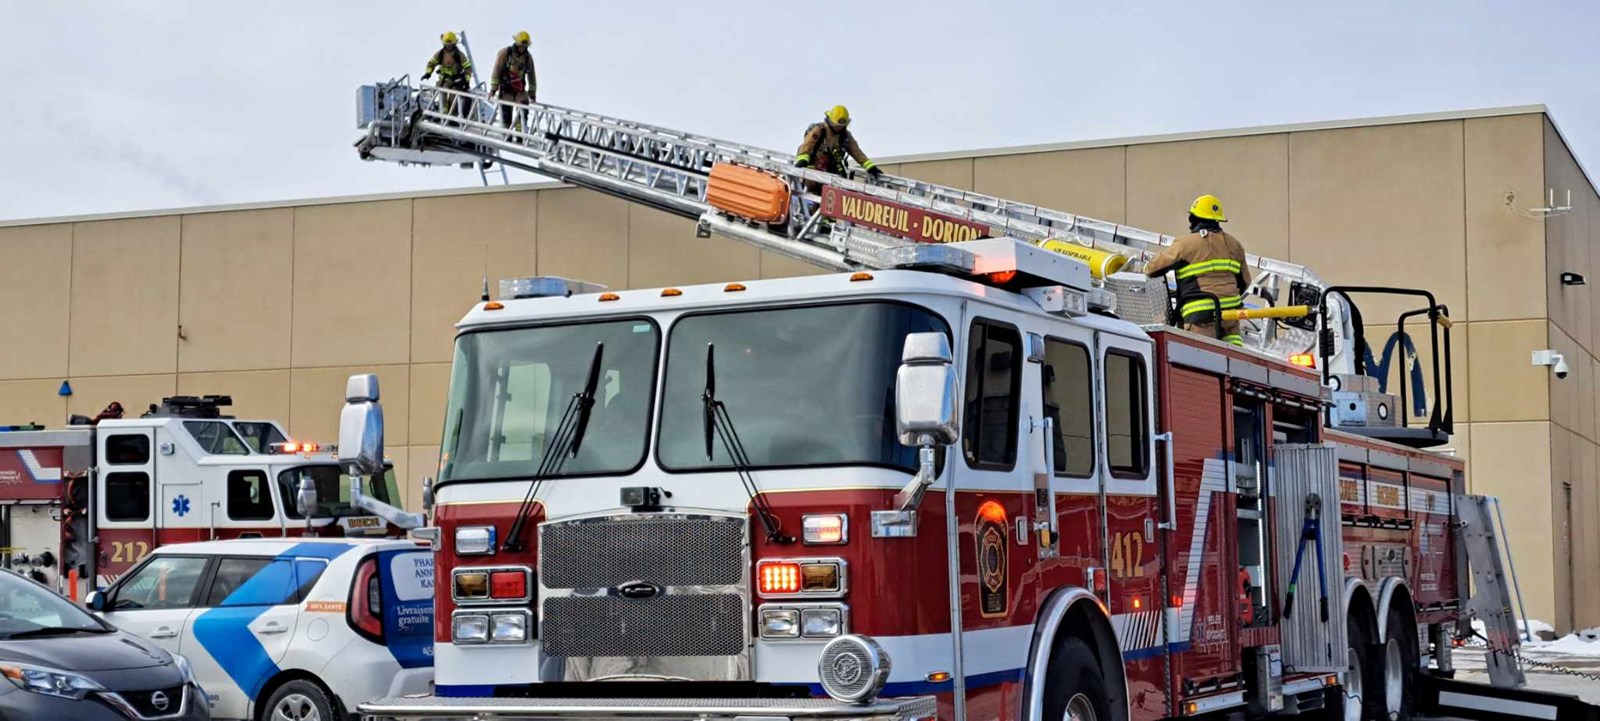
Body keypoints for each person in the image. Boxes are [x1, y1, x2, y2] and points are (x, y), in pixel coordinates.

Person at [1143, 194, 1251, 346]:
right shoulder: (1234, 245)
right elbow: (1245, 282)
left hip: (1201, 317)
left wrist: (1144, 266)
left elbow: (1153, 269)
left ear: (1193, 219)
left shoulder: (1185, 244)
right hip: (1231, 315)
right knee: (1232, 358)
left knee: (1203, 361)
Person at [794, 105, 882, 180]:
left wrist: (870, 166)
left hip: (832, 168)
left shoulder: (845, 135)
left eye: (842, 126)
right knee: (813, 185)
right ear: (831, 122)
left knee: (839, 185)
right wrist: (802, 160)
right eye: (837, 126)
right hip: (814, 166)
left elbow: (856, 152)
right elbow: (807, 144)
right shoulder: (819, 130)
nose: (839, 128)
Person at [491, 30, 537, 131]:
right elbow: (497, 70)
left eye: (524, 46)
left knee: (523, 112)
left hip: (519, 90)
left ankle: (520, 136)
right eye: (521, 45)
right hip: (506, 90)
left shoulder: (528, 58)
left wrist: (532, 94)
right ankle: (507, 136)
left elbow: (532, 76)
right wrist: (493, 90)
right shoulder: (505, 54)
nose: (522, 48)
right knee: (506, 115)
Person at [422, 32, 474, 119]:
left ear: (454, 43)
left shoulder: (459, 55)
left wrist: (466, 81)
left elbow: (468, 68)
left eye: (450, 44)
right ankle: (443, 114)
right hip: (444, 80)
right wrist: (428, 73)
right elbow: (431, 63)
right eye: (447, 44)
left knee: (454, 97)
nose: (448, 46)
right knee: (443, 93)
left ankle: (452, 116)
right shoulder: (440, 54)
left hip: (456, 81)